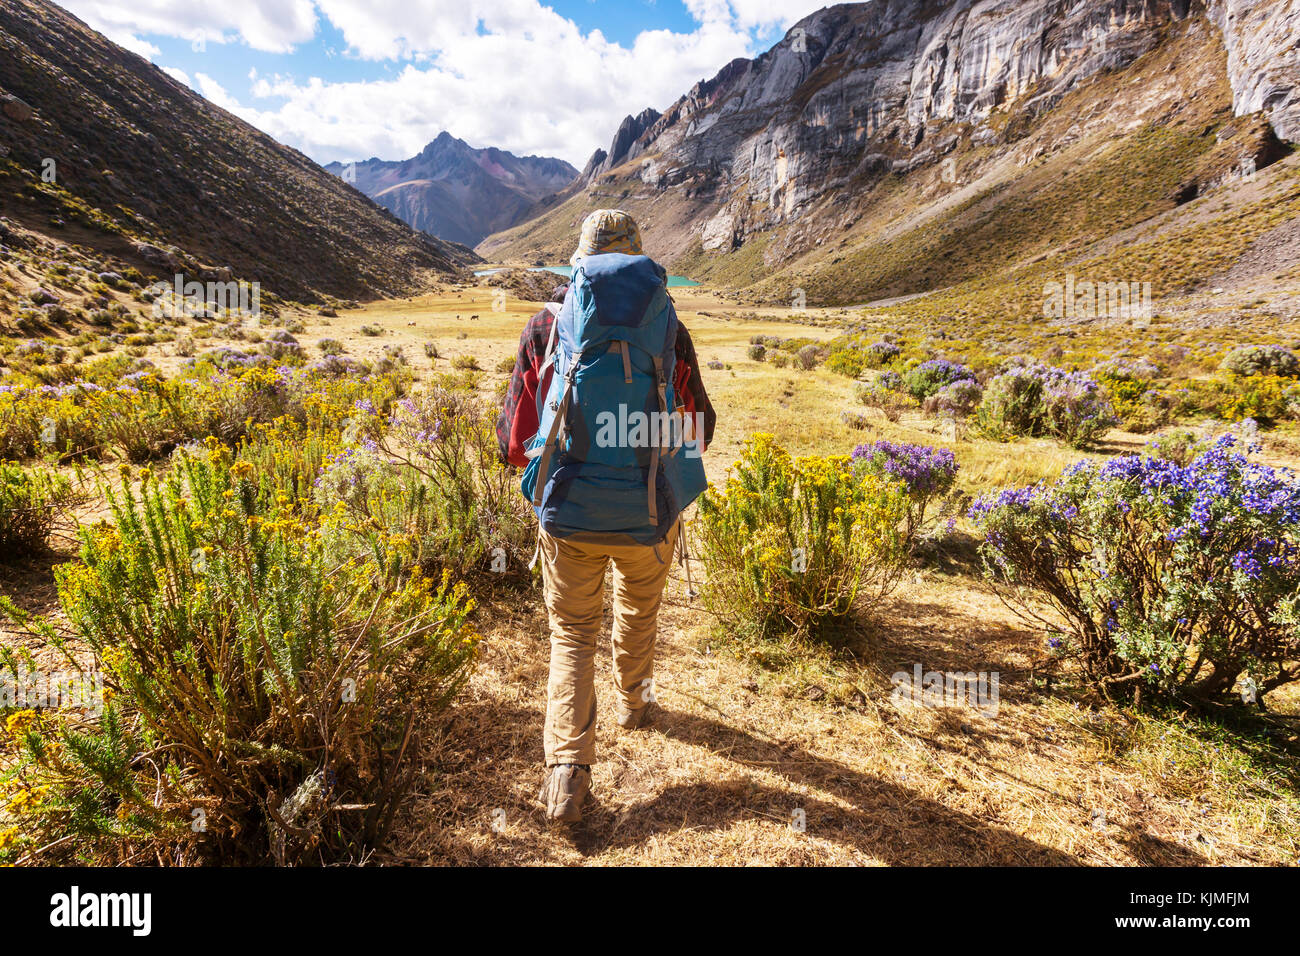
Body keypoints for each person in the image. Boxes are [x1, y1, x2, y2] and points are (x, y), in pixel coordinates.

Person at [496, 209, 716, 823]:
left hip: (567, 508)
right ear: (639, 258)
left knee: (571, 633)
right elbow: (702, 426)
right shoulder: (667, 324)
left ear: (580, 260)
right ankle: (635, 704)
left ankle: (567, 772)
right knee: (639, 609)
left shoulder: (547, 324)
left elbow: (515, 440)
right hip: (649, 512)